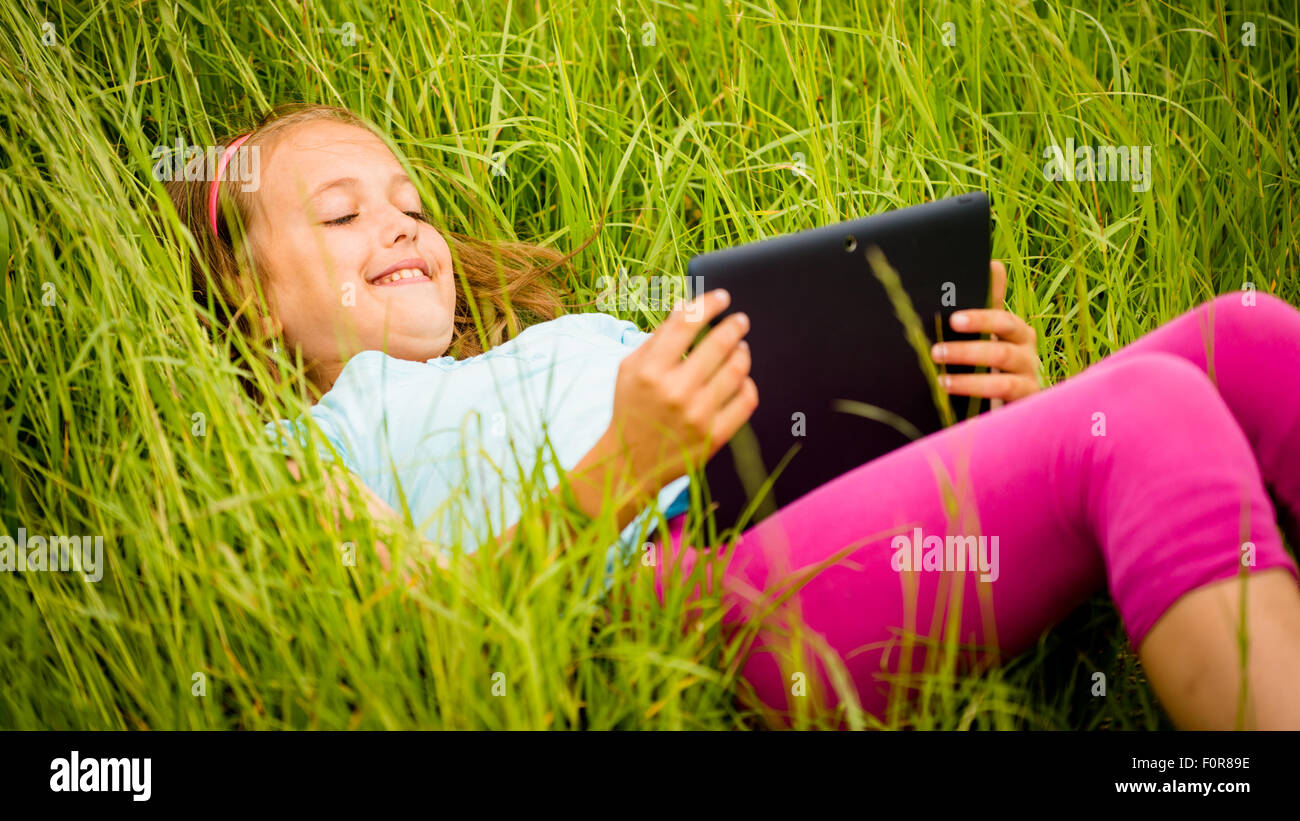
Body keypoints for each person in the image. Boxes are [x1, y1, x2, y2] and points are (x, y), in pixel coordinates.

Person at [165, 102, 1300, 730]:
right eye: (342, 214)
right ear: (248, 303)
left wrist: (988, 417)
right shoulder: (300, 452)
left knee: (1244, 334)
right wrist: (620, 468)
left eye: (412, 204)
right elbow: (417, 652)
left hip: (795, 507)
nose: (402, 227)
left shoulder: (560, 344)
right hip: (688, 603)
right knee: (1147, 408)